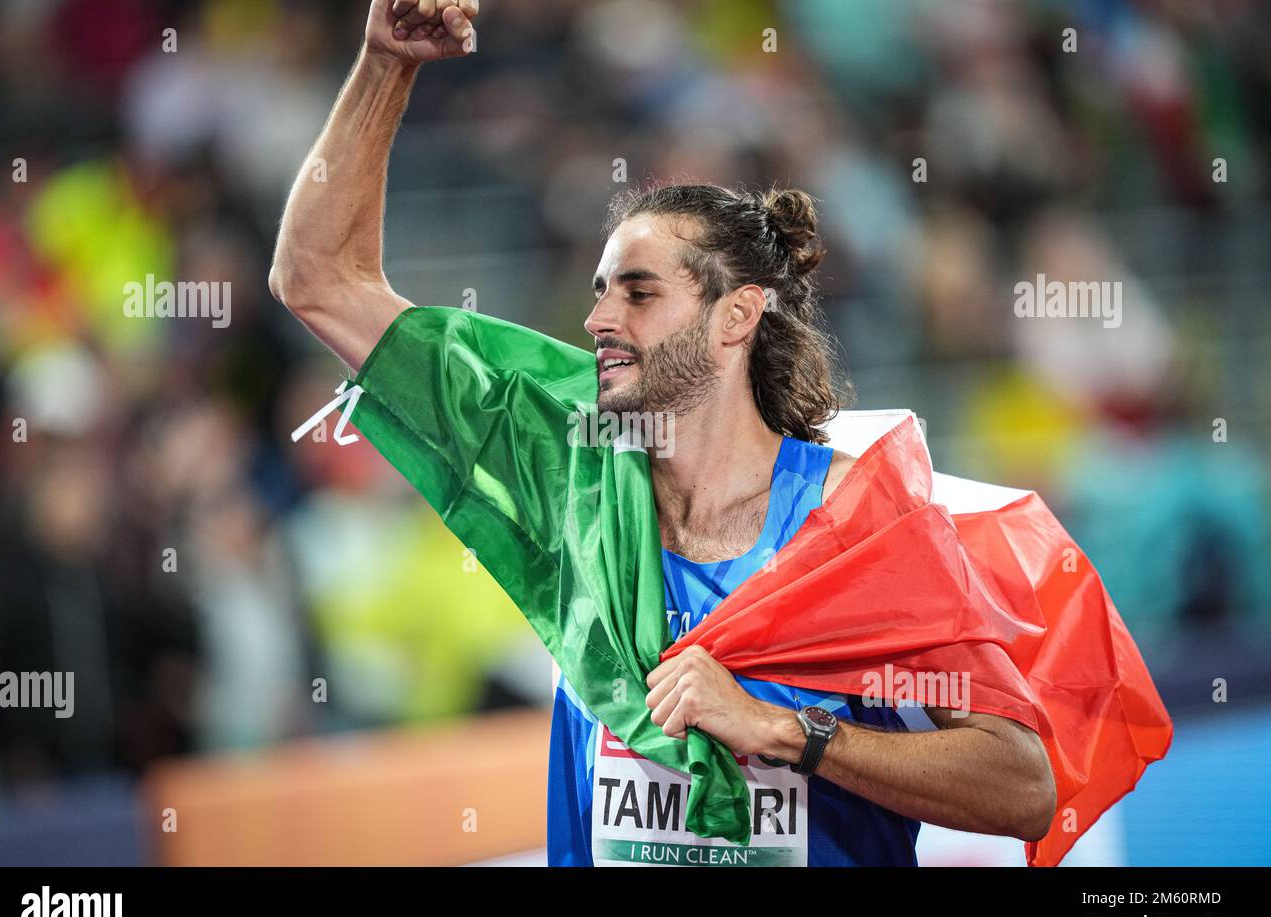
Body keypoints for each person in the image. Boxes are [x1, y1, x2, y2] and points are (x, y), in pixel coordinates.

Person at [269, 0, 1056, 866]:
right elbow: (316, 276)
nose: (599, 316)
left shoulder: (860, 522)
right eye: (601, 289)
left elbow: (1021, 785)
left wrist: (783, 731)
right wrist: (386, 64)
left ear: (736, 317)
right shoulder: (566, 472)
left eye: (638, 293)